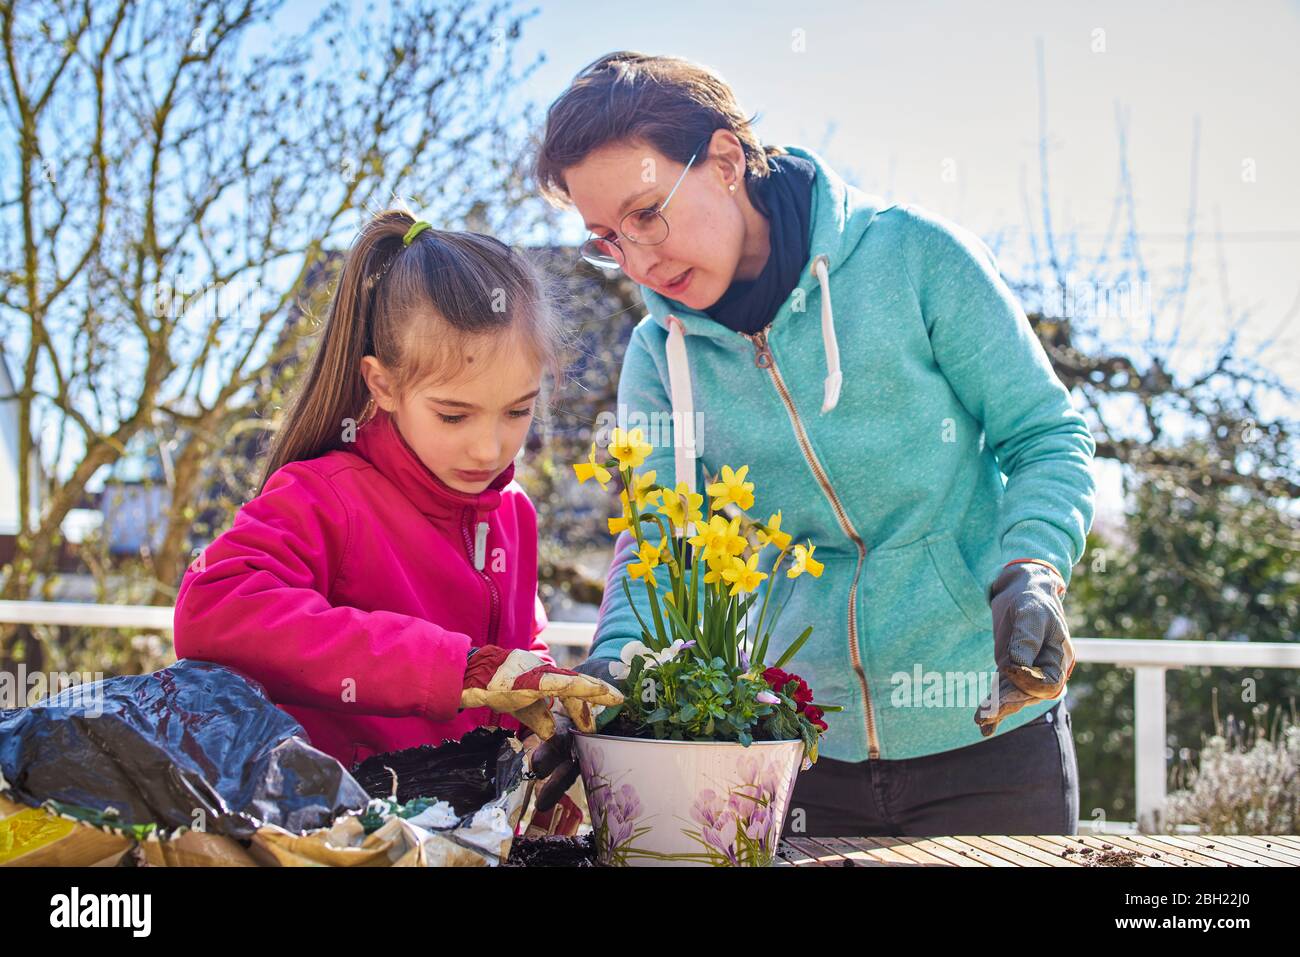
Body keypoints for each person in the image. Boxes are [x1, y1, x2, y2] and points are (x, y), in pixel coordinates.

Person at [529, 52, 1094, 836]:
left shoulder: (918, 259)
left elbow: (1045, 437)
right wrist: (606, 679)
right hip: (789, 756)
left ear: (726, 160)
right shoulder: (659, 357)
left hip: (989, 734)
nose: (639, 259)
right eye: (605, 238)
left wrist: (1033, 565)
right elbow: (661, 542)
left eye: (648, 212)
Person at [172, 210, 621, 796]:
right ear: (382, 385)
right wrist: (448, 668)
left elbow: (518, 649)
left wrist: (538, 740)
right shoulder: (325, 494)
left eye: (517, 410)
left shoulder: (515, 514)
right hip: (345, 829)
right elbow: (213, 611)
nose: (489, 447)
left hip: (470, 833)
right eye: (453, 414)